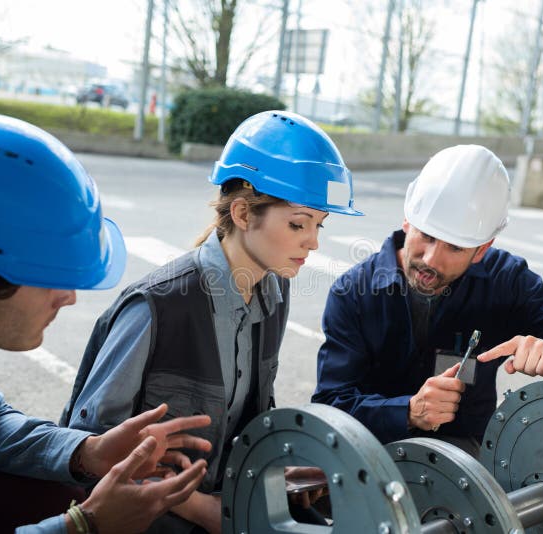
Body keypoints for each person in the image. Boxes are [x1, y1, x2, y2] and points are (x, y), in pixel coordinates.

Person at [0, 113, 213, 534]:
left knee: (54, 489)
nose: (69, 298)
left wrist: (89, 451)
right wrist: (85, 526)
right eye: (52, 279)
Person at [61, 110, 362, 533]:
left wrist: (281, 470)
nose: (312, 242)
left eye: (319, 226)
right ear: (242, 214)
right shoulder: (159, 305)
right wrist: (199, 508)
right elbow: (91, 449)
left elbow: (249, 415)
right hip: (146, 515)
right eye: (298, 224)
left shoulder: (275, 290)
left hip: (222, 499)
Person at [312, 144, 543, 456]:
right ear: (407, 221)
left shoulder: (505, 281)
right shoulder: (354, 292)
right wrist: (407, 411)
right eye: (427, 236)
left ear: (482, 249)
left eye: (455, 248)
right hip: (370, 452)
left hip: (467, 456)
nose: (432, 260)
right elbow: (330, 404)